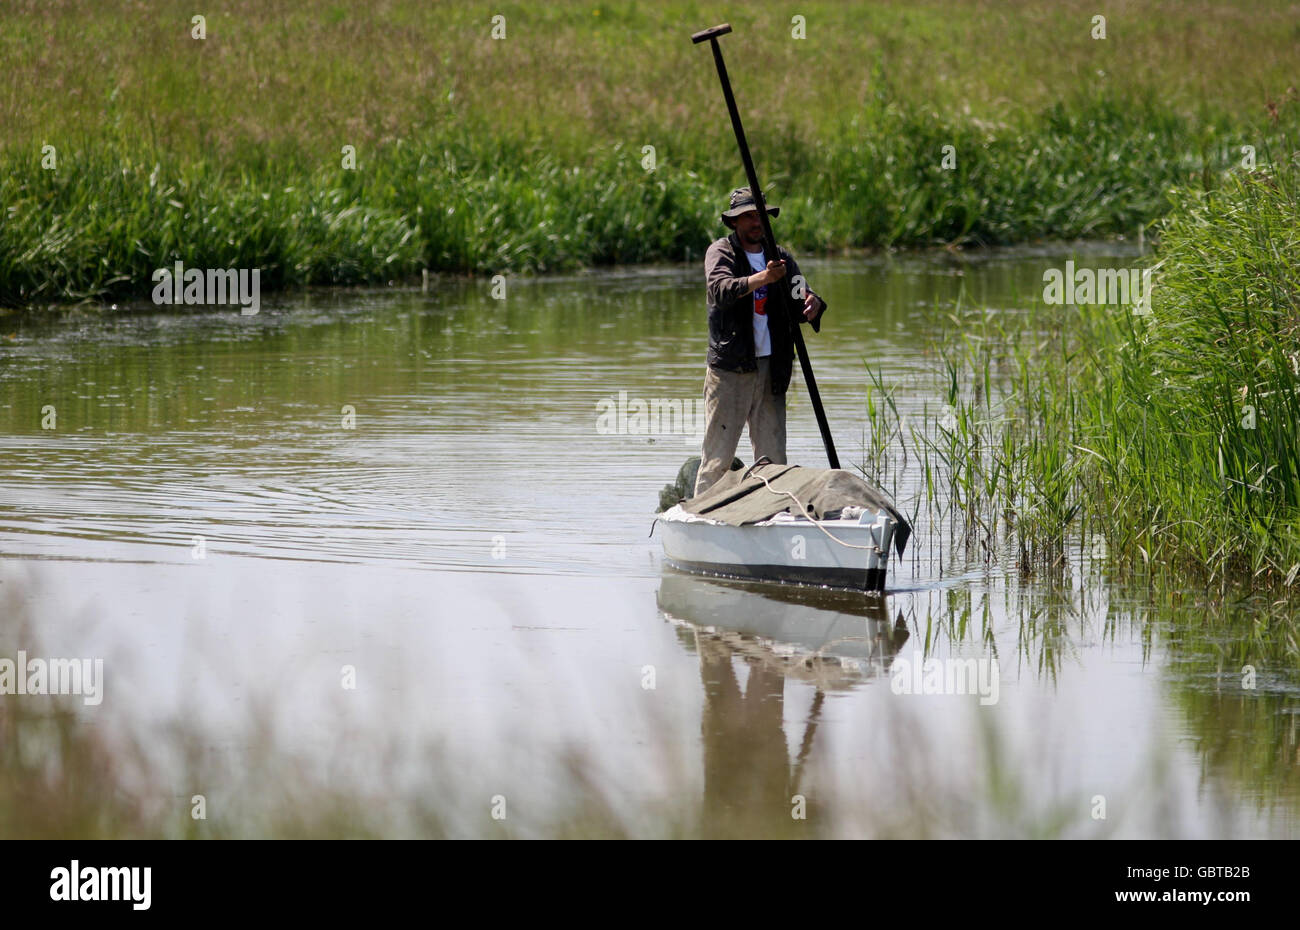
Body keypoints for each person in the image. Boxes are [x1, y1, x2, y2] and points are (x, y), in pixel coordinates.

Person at [693, 187, 827, 497]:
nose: (757, 222)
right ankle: (701, 516)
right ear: (735, 222)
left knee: (773, 461)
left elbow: (799, 297)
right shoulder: (722, 252)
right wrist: (761, 279)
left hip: (773, 369)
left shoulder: (780, 257)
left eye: (761, 216)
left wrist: (813, 303)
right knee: (718, 459)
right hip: (731, 370)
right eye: (749, 216)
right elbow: (721, 290)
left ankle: (770, 514)